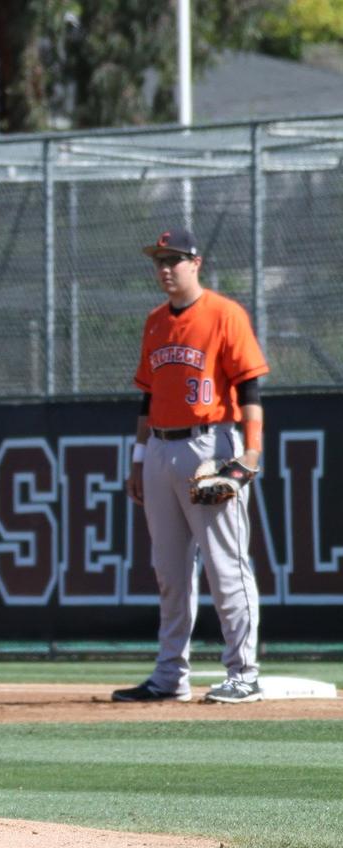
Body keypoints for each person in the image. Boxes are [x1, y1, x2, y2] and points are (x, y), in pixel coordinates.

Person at [115, 227, 270, 705]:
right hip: (161, 448)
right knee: (169, 570)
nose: (165, 267)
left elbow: (250, 390)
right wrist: (138, 458)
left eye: (174, 259)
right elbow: (147, 396)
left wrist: (250, 455)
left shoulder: (225, 314)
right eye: (159, 260)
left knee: (226, 566)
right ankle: (170, 676)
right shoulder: (155, 321)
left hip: (210, 446)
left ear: (195, 263)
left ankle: (244, 673)